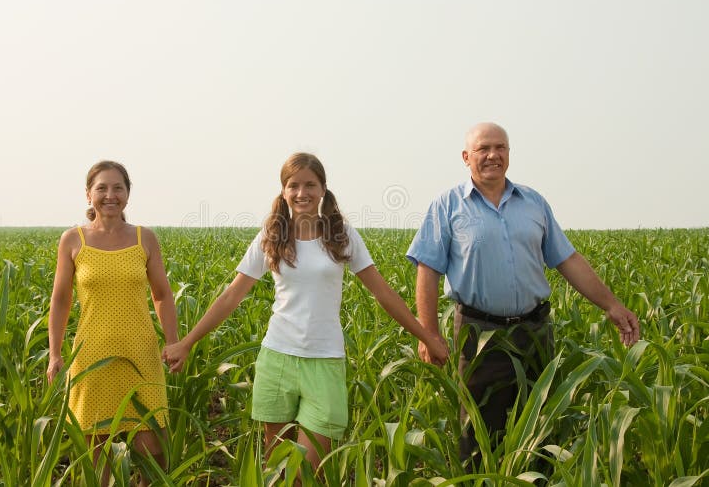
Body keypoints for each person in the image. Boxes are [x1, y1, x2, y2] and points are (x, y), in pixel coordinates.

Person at [162, 152, 450, 475]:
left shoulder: (341, 235)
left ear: (323, 188)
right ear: (283, 191)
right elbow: (231, 296)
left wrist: (427, 336)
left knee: (307, 473)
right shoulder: (271, 236)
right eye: (293, 185)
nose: (302, 193)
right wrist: (186, 342)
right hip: (277, 359)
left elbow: (382, 292)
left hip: (325, 360)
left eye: (310, 185)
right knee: (278, 472)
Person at [406, 122, 640, 468]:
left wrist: (612, 305)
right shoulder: (447, 206)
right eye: (483, 149)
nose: (492, 155)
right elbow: (427, 270)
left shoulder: (533, 203)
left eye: (500, 148)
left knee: (541, 431)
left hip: (534, 332)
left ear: (509, 154)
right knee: (479, 435)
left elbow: (568, 259)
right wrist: (428, 334)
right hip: (478, 335)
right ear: (466, 157)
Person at [47, 160, 179, 486]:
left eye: (118, 187)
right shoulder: (73, 240)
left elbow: (162, 295)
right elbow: (61, 300)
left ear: (128, 194)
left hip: (141, 356)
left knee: (153, 454)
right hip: (92, 360)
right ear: (89, 194)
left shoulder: (144, 239)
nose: (110, 195)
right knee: (98, 458)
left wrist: (173, 341)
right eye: (102, 188)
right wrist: (54, 353)